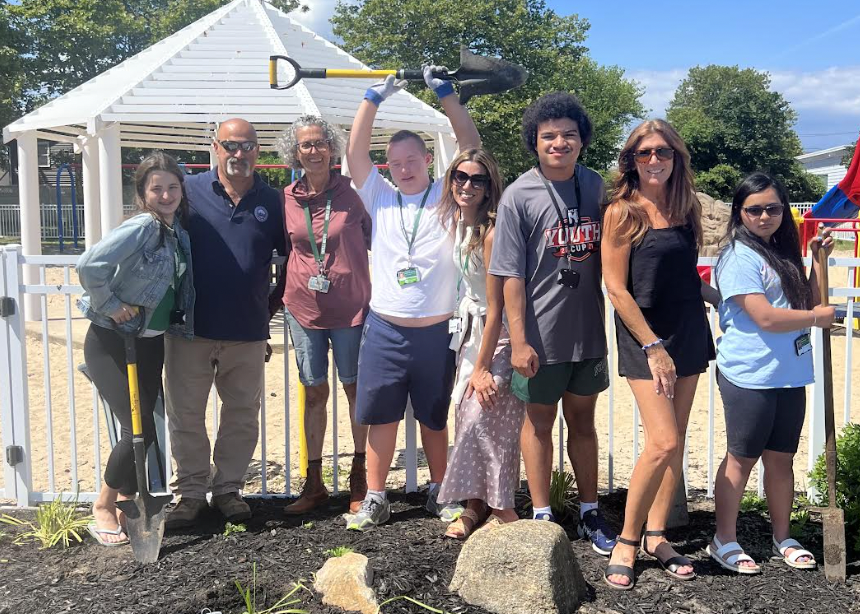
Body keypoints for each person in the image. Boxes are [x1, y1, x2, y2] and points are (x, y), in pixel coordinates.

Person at [344, 68, 481, 531]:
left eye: (412, 159)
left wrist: (445, 93)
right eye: (396, 162)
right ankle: (376, 496)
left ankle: (440, 492)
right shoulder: (378, 196)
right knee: (379, 416)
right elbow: (354, 151)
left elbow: (470, 147)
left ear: (427, 159)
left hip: (436, 331)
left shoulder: (447, 194)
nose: (404, 168)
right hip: (385, 328)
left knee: (434, 418)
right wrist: (372, 98)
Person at [488, 92, 617, 555]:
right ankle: (542, 514)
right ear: (535, 142)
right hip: (540, 339)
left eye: (568, 134)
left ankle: (588, 510)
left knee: (584, 423)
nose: (559, 142)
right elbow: (510, 277)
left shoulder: (599, 187)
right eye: (549, 136)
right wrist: (519, 341)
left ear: (581, 140)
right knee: (539, 423)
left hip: (588, 335)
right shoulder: (518, 195)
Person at [602, 119, 719, 590]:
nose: (654, 160)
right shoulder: (621, 212)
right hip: (643, 334)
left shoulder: (685, 207)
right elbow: (615, 287)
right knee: (663, 440)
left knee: (676, 439)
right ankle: (626, 540)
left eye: (663, 152)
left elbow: (685, 274)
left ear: (677, 158)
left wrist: (722, 299)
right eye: (645, 153)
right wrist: (652, 347)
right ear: (631, 159)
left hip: (688, 327)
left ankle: (657, 535)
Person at [164, 118, 289, 529]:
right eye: (231, 145)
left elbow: (291, 263)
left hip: (247, 333)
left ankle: (229, 490)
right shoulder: (188, 192)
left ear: (258, 150)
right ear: (214, 147)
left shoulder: (273, 201)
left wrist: (266, 309)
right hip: (190, 330)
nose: (240, 154)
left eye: (248, 146)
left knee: (240, 415)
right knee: (187, 415)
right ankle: (192, 494)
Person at [709, 172, 834, 574]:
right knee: (741, 460)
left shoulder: (780, 254)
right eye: (755, 209)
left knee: (781, 460)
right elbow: (763, 316)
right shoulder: (738, 257)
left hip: (789, 374)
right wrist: (816, 318)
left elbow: (809, 300)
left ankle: (783, 535)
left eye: (773, 208)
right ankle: (723, 538)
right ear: (739, 212)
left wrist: (817, 260)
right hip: (750, 375)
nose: (765, 216)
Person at [77, 152, 194, 545]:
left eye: (172, 187)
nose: (165, 194)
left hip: (148, 342)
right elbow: (90, 264)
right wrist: (111, 305)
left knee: (145, 430)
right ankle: (103, 505)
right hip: (113, 339)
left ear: (181, 189)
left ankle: (128, 499)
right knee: (138, 427)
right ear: (143, 193)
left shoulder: (176, 229)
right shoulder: (144, 226)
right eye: (156, 188)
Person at [275, 115, 372, 515]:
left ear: (332, 148)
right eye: (304, 145)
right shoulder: (285, 198)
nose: (312, 151)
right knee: (314, 391)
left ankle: (360, 476)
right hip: (303, 306)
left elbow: (378, 239)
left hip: (349, 307)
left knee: (354, 390)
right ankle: (314, 483)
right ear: (293, 152)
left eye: (319, 143)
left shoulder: (354, 193)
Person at [434, 148, 523, 539]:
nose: (467, 185)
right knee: (468, 419)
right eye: (460, 177)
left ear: (490, 187)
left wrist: (483, 365)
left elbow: (497, 305)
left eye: (478, 179)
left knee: (485, 417)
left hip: (497, 335)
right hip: (471, 333)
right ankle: (475, 505)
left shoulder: (490, 233)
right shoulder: (458, 222)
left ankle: (503, 507)